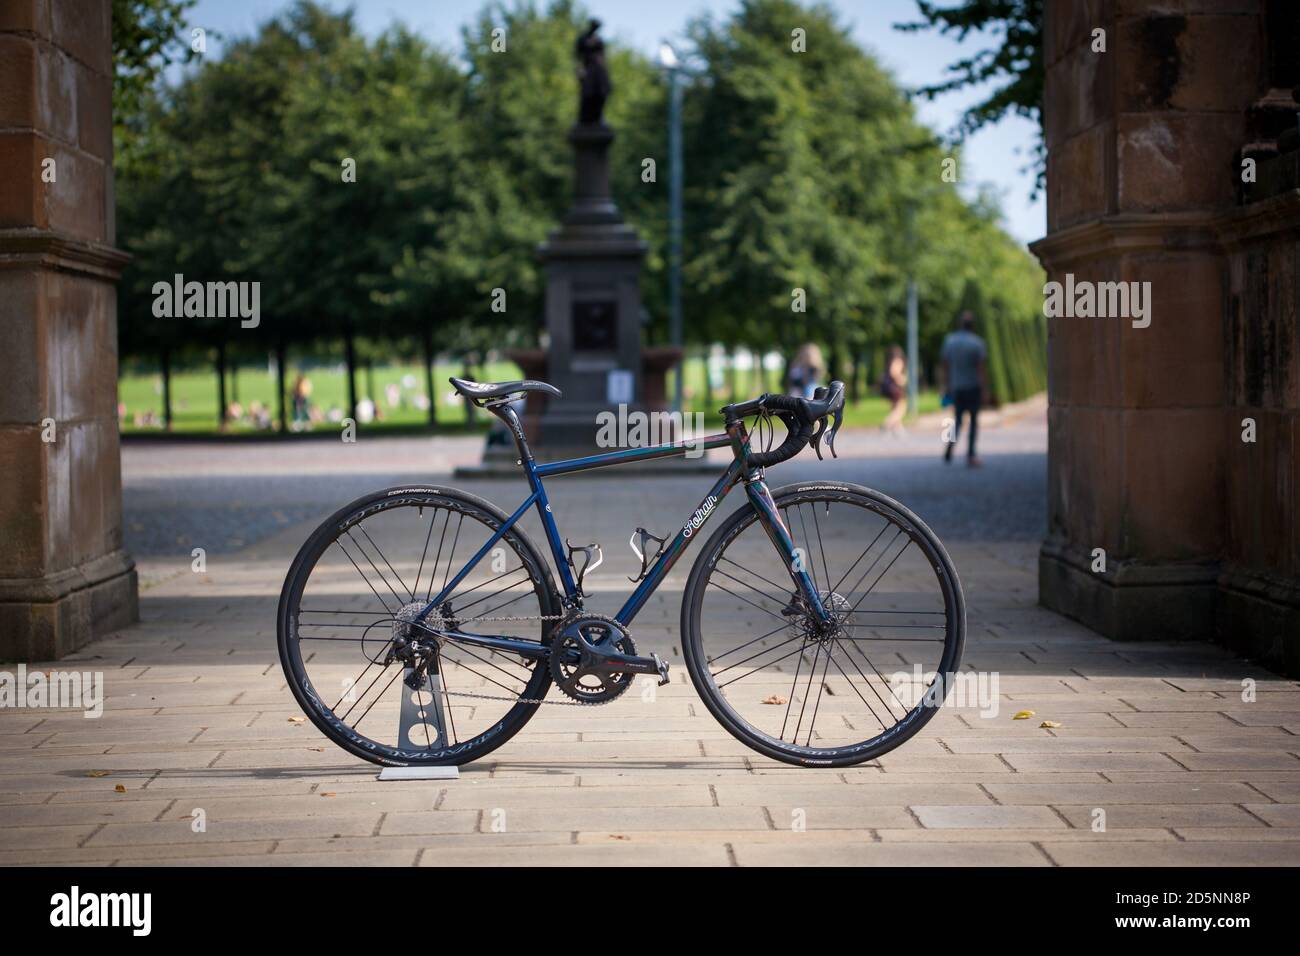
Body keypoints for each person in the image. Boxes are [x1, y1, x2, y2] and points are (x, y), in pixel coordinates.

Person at [940, 310, 988, 467]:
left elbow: (946, 366)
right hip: (972, 386)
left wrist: (946, 385)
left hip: (957, 386)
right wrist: (984, 389)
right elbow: (980, 369)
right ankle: (971, 454)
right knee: (973, 422)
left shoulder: (950, 341)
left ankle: (949, 447)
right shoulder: (977, 343)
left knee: (957, 421)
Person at [880, 345, 907, 436]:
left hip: (890, 388)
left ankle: (898, 429)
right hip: (896, 388)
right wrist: (901, 379)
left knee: (895, 408)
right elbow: (894, 372)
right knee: (901, 408)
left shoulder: (890, 361)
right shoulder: (898, 360)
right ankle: (886, 424)